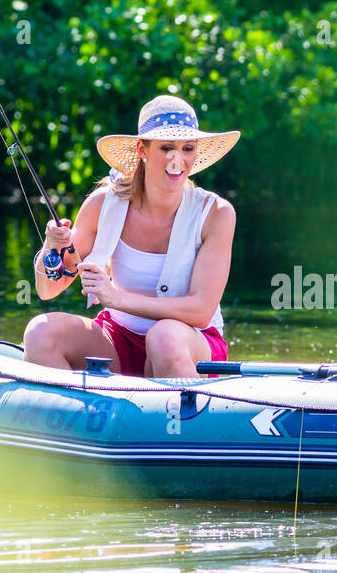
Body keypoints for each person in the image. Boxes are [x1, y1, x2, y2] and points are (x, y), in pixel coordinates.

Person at [22, 95, 238, 377]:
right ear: (142, 149)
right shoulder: (102, 204)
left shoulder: (217, 213)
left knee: (164, 337)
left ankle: (184, 416)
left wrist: (116, 298)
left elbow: (200, 310)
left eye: (187, 148)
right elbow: (49, 289)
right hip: (119, 340)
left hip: (189, 343)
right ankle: (85, 417)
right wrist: (51, 248)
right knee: (40, 332)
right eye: (166, 148)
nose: (179, 160)